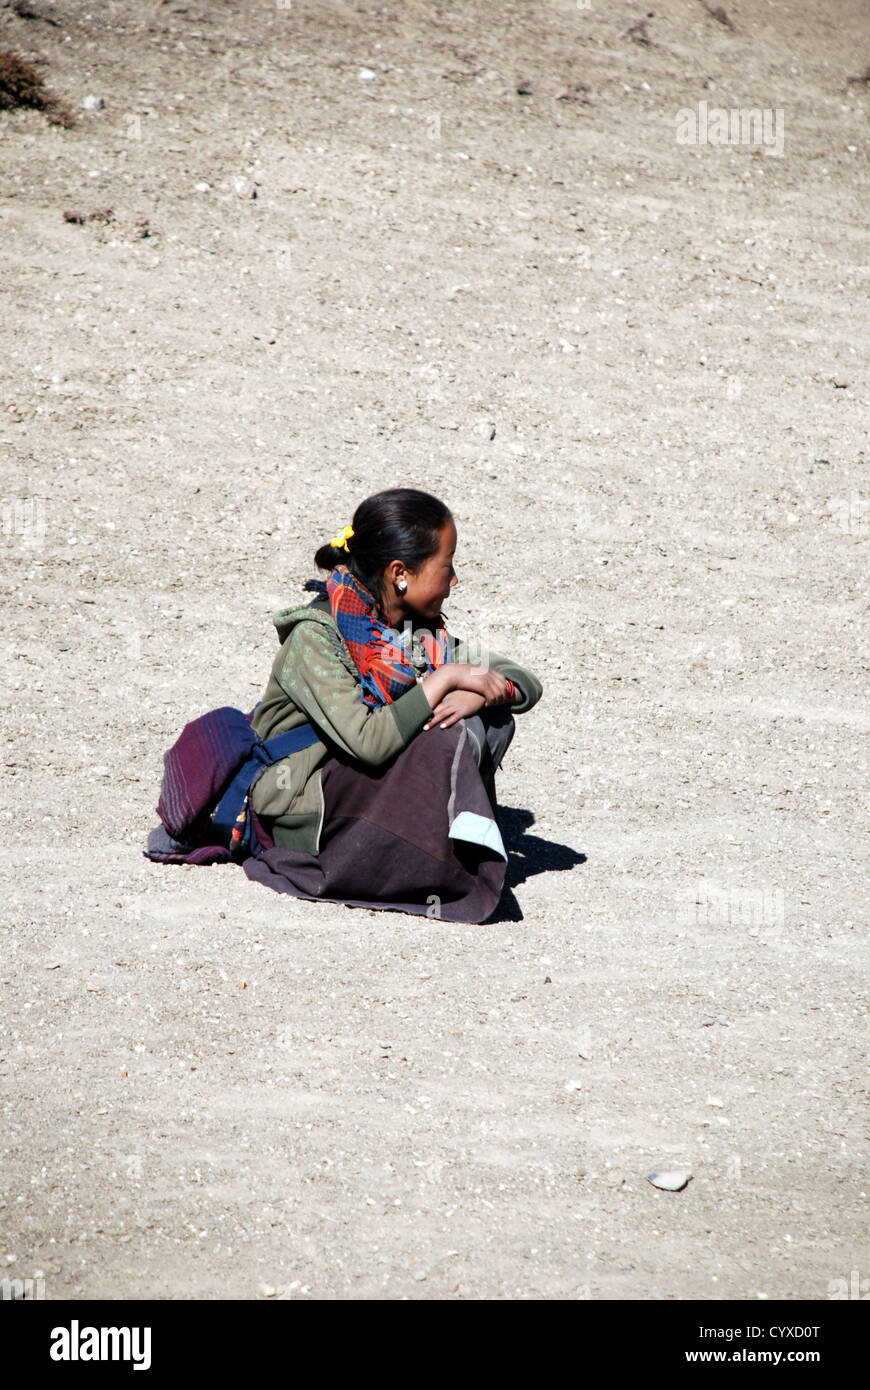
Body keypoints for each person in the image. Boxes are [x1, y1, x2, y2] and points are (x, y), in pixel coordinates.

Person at [242, 487, 543, 922]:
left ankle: (430, 852)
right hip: (301, 807)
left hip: (346, 782)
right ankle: (425, 862)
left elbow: (522, 682)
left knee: (483, 715)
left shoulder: (414, 634)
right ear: (401, 572)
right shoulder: (317, 637)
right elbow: (369, 742)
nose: (455, 579)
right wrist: (444, 680)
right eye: (447, 565)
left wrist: (473, 691)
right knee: (444, 737)